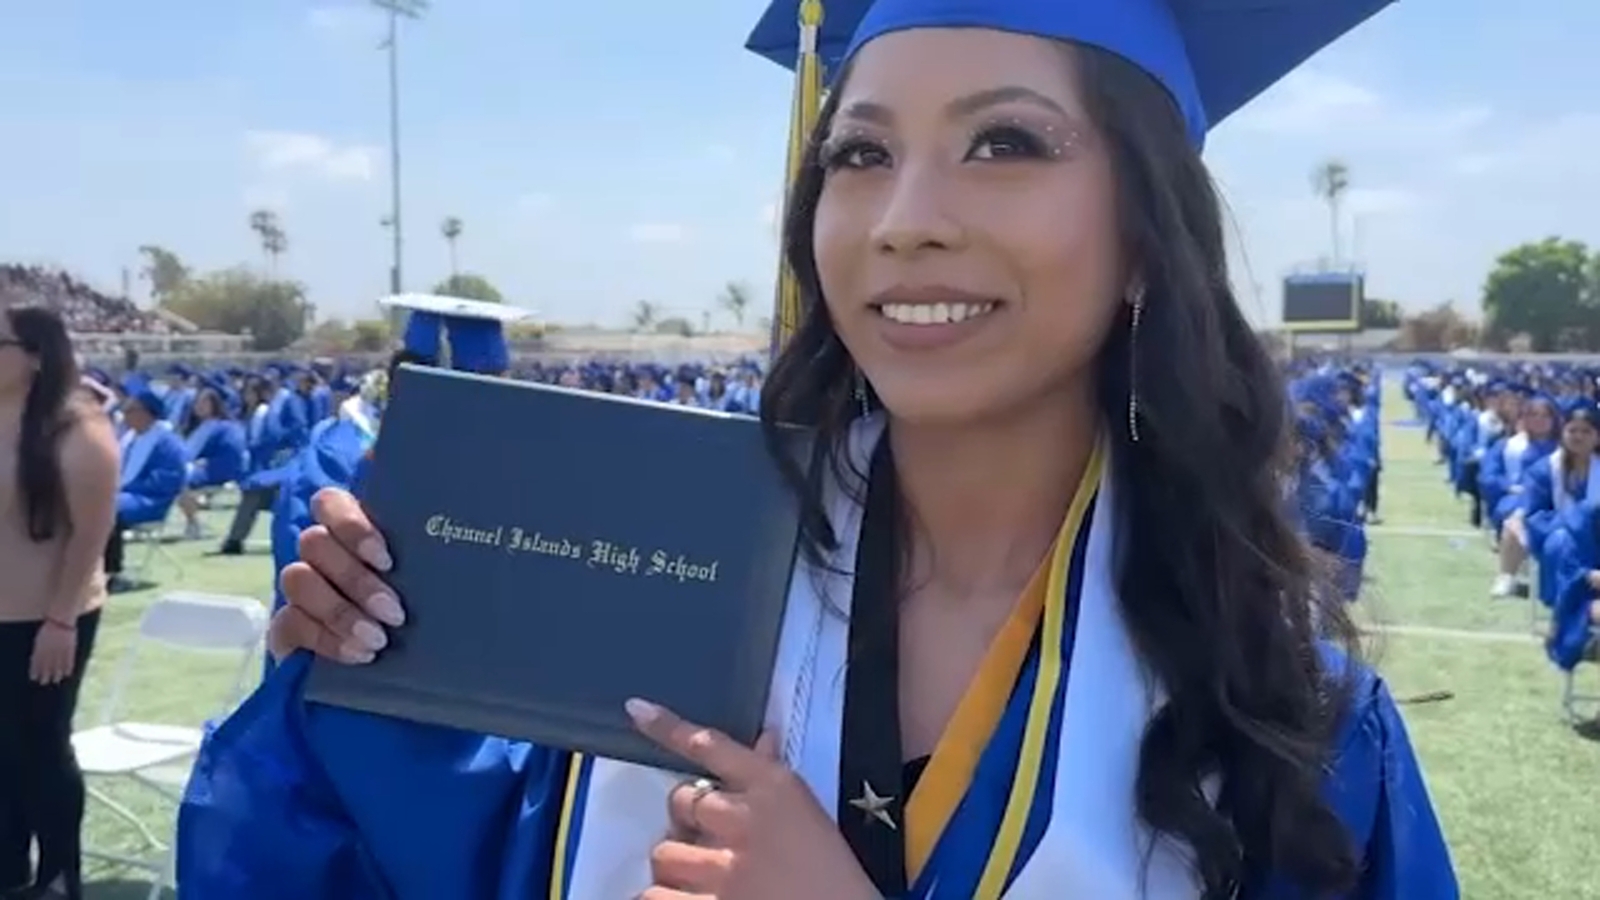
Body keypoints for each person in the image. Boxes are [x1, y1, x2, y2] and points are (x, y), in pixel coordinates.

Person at [177, 1, 1458, 898]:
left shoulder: (1286, 715)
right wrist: (354, 675)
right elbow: (355, 845)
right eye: (859, 153)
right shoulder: (639, 582)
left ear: (1143, 239)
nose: (903, 220)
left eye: (1003, 143)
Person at [0, 306, 120, 900]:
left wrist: (60, 619)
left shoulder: (76, 428)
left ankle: (58, 876)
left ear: (36, 355)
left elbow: (90, 534)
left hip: (46, 619)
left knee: (40, 744)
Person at [103, 384, 187, 593]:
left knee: (108, 508)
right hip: (127, 495)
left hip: (150, 501)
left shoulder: (168, 444)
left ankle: (114, 572)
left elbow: (166, 481)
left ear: (147, 414)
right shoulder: (129, 440)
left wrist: (124, 488)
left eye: (131, 410)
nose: (125, 415)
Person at [175, 379, 249, 539]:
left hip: (216, 471)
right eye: (197, 403)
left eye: (204, 403)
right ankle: (192, 521)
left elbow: (230, 456)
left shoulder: (221, 427)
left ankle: (193, 523)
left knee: (178, 480)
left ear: (215, 404)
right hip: (202, 467)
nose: (199, 407)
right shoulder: (201, 426)